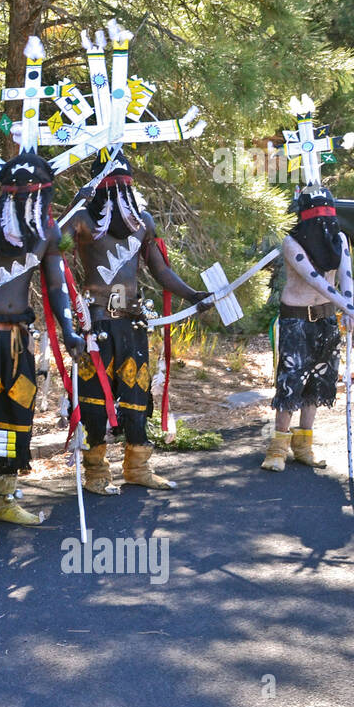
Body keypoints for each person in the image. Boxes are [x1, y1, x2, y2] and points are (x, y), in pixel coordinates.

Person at [0, 149, 85, 536]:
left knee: (14, 416)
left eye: (37, 194)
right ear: (8, 192)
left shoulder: (49, 230)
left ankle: (5, 497)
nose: (30, 199)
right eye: (22, 193)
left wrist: (71, 330)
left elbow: (56, 285)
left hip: (18, 338)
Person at [63, 155, 212, 494]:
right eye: (110, 183)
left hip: (132, 321)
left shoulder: (142, 221)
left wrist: (192, 295)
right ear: (97, 187)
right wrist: (77, 202)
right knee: (95, 402)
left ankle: (137, 467)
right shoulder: (83, 220)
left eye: (125, 184)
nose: (119, 190)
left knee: (135, 398)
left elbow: (160, 270)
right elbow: (53, 246)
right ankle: (97, 473)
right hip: (97, 322)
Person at [262, 186, 354, 471]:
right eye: (316, 213)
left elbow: (344, 277)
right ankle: (277, 448)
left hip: (325, 317)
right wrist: (348, 309)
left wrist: (349, 309)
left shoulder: (339, 239)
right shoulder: (292, 242)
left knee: (318, 382)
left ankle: (303, 445)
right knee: (290, 381)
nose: (323, 220)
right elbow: (315, 280)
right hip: (296, 318)